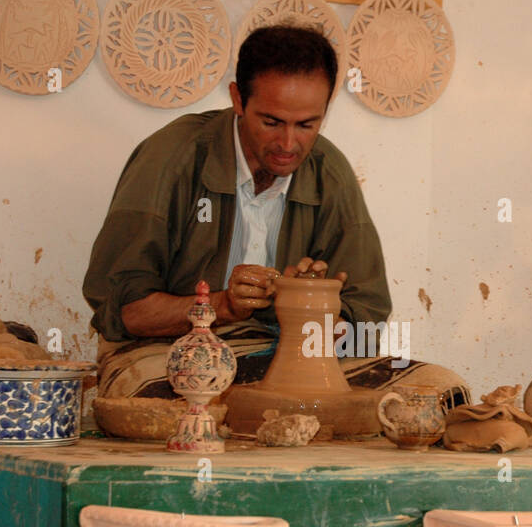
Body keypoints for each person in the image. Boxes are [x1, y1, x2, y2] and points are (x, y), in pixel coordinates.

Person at [83, 25, 466, 407]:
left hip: (286, 355)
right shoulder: (171, 157)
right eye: (271, 122)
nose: (287, 144)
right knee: (177, 403)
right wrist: (223, 306)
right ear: (237, 99)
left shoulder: (329, 172)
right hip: (166, 352)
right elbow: (124, 311)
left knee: (439, 393)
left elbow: (365, 327)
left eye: (306, 125)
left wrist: (317, 310)